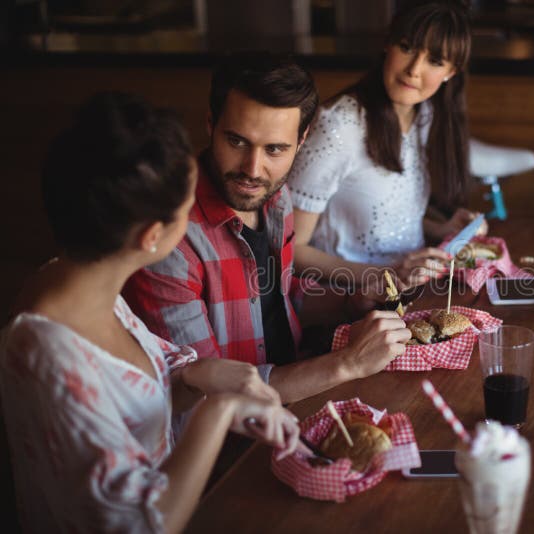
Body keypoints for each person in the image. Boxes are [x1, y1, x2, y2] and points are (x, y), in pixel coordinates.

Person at [0, 93, 305, 533]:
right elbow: (141, 523)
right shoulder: (48, 355)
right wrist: (217, 411)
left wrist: (200, 375)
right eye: (187, 208)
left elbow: (153, 375)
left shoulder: (81, 280)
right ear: (151, 236)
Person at [123, 53, 411, 404]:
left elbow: (279, 294)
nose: (253, 169)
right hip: (232, 440)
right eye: (237, 141)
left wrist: (350, 302)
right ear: (211, 124)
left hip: (300, 393)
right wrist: (347, 364)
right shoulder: (169, 239)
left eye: (275, 149)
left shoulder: (276, 196)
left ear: (301, 141)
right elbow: (204, 395)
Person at [288, 0, 485, 289]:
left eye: (435, 61)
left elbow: (388, 215)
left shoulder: (424, 114)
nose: (414, 70)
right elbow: (292, 249)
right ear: (387, 45)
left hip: (412, 289)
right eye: (406, 47)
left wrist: (443, 230)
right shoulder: (339, 125)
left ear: (451, 73)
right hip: (347, 301)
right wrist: (386, 275)